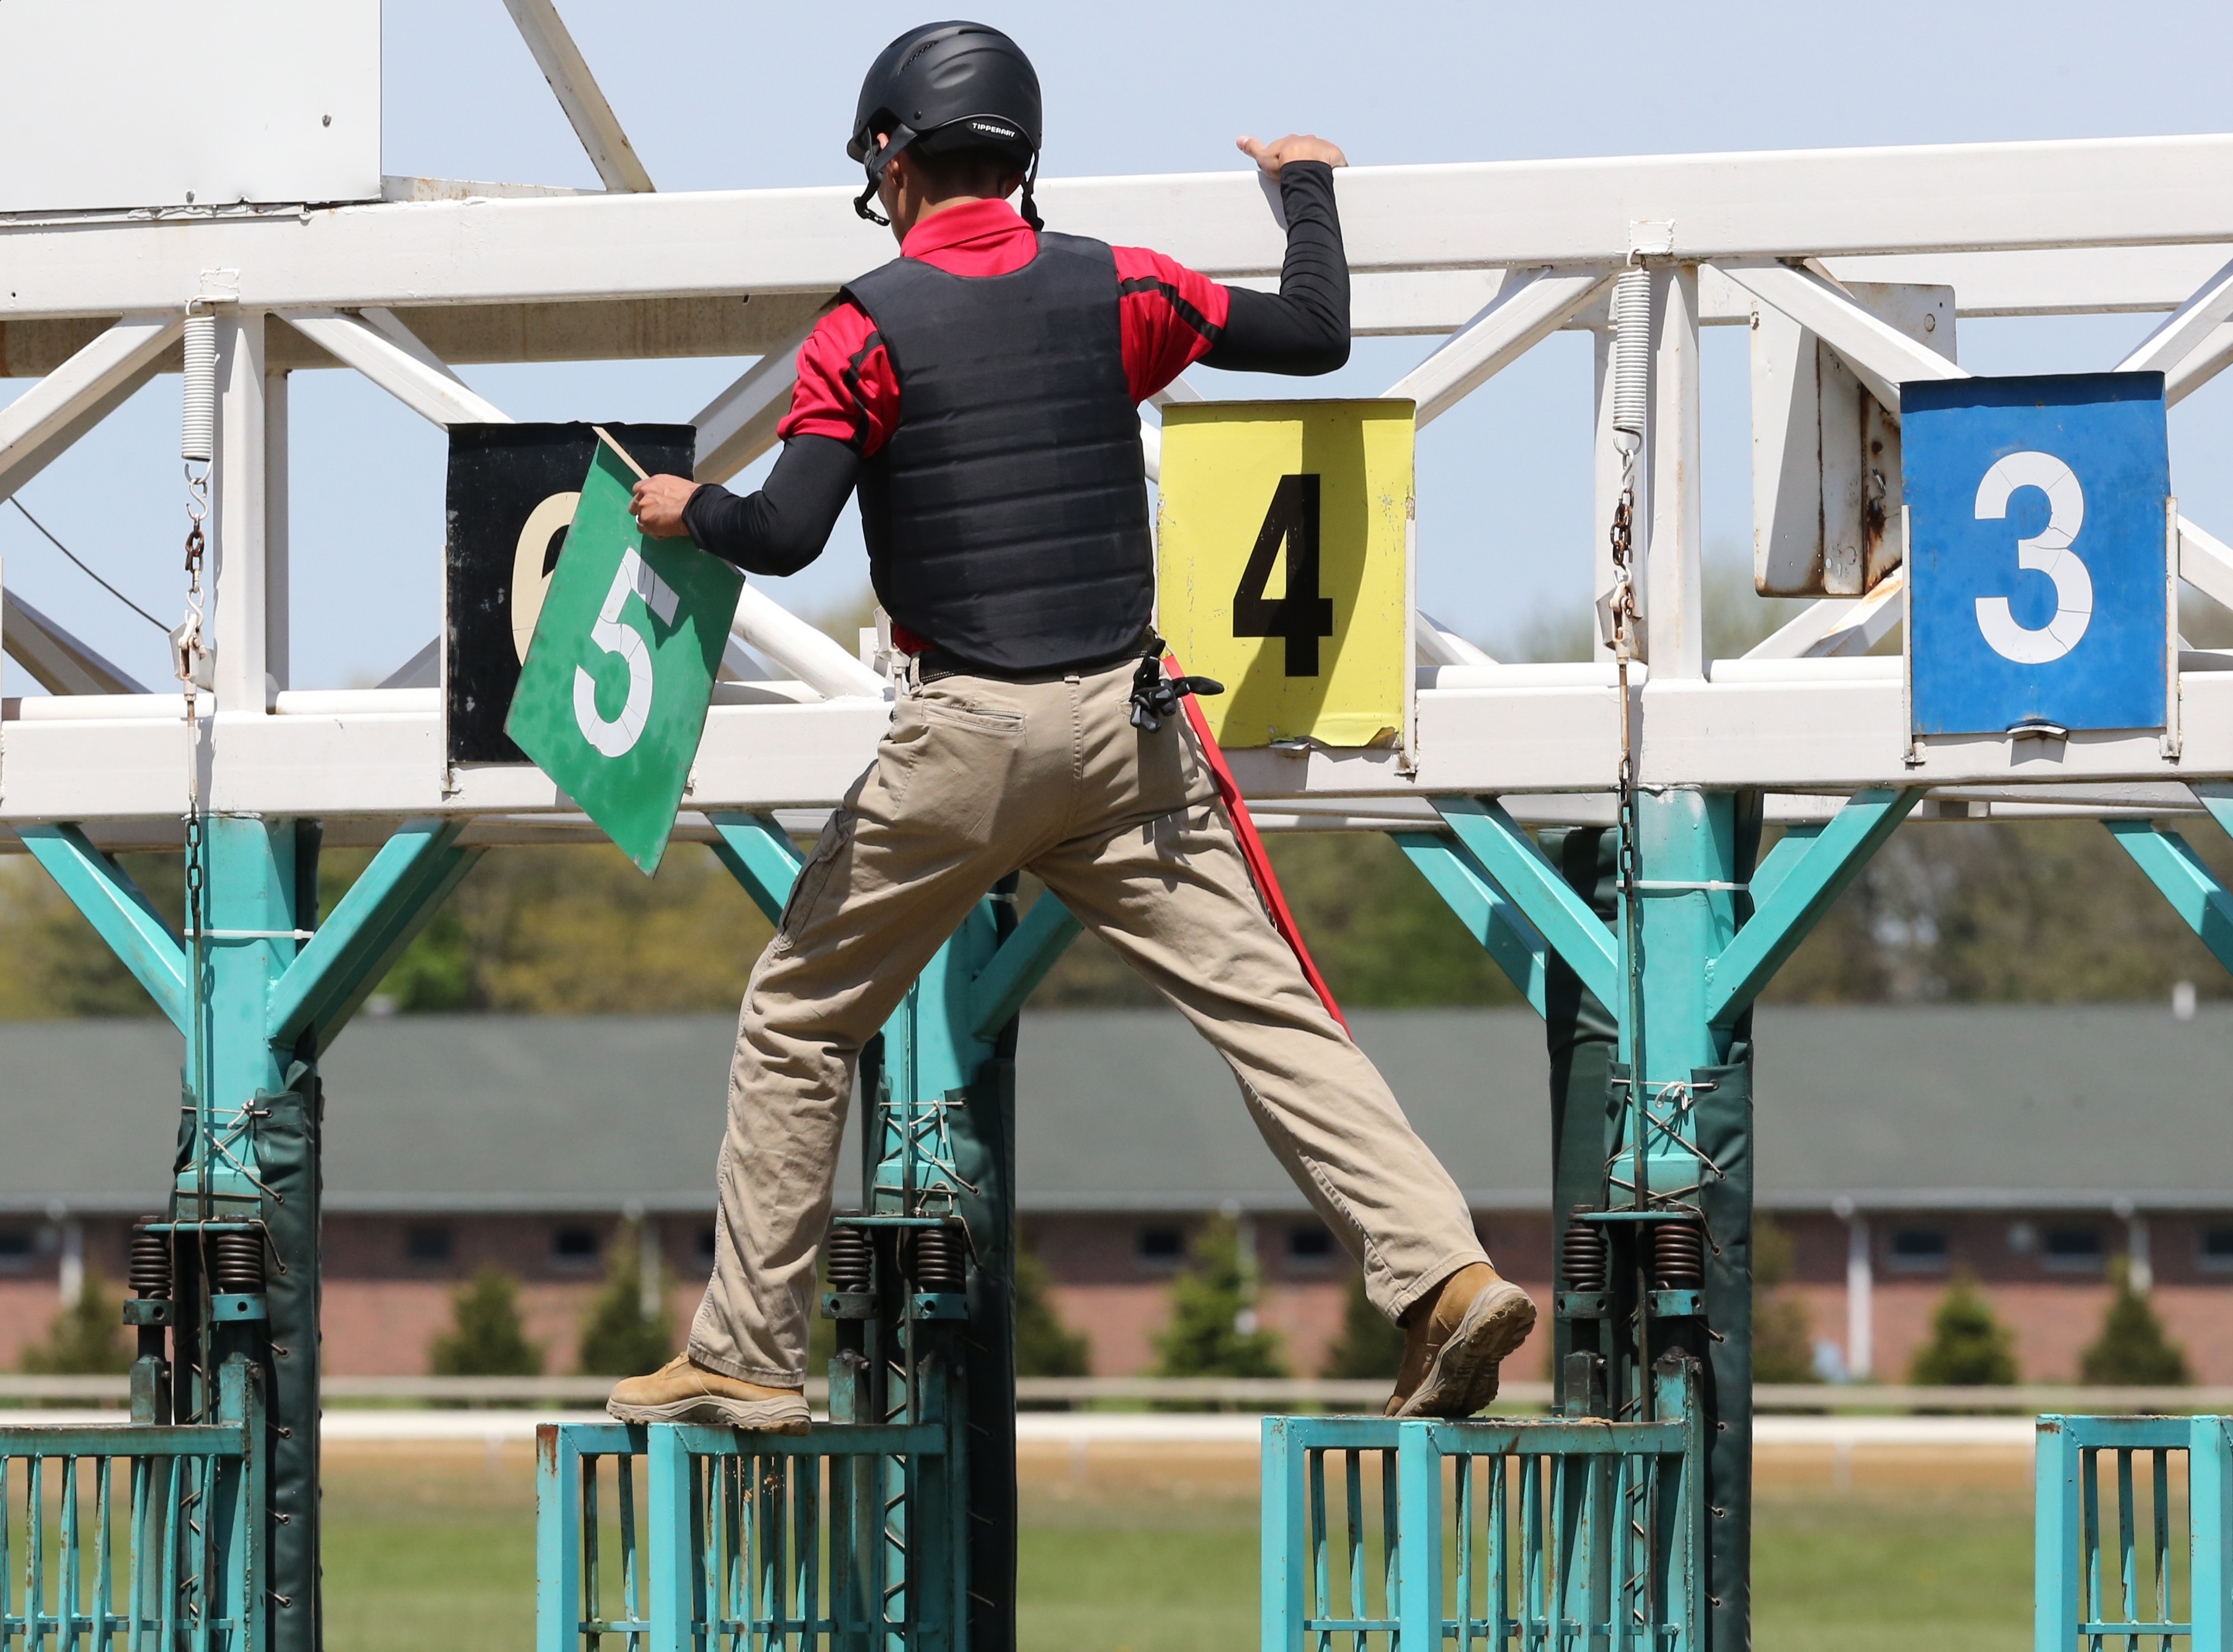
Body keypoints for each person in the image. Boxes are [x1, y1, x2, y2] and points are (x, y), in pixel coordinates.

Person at [611, 21, 1534, 1434]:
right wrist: (1303, 186)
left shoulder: (861, 326)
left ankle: (747, 1351)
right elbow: (1311, 332)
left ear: (889, 160)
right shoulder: (1120, 286)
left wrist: (693, 514)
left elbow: (787, 535)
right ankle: (1444, 1277)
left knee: (796, 1020)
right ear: (1020, 159)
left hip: (964, 741)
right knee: (1271, 1013)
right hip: (1130, 734)